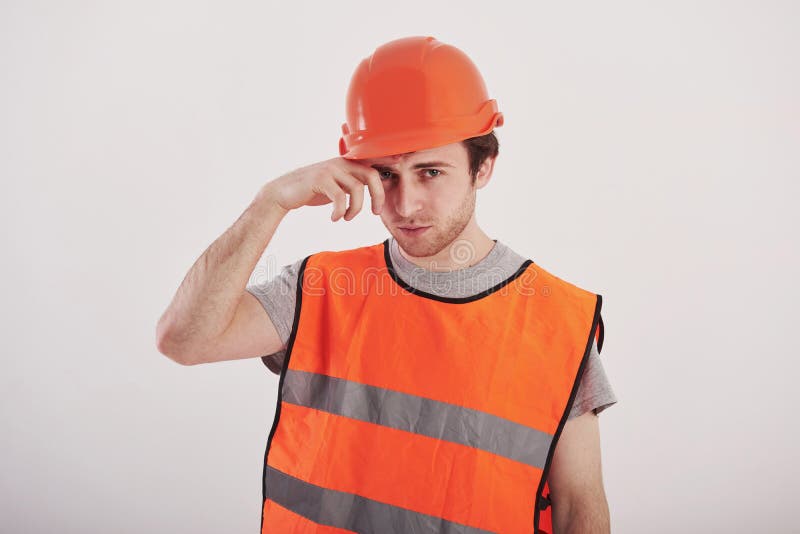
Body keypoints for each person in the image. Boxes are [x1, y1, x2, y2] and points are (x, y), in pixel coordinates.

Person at [157, 35, 617, 534]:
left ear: (483, 167)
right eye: (387, 175)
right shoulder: (321, 287)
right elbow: (184, 339)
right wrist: (271, 202)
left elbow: (578, 507)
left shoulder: (557, 321)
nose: (405, 204)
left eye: (431, 171)